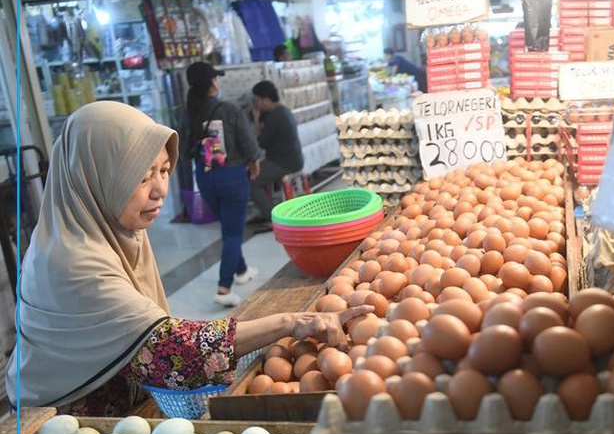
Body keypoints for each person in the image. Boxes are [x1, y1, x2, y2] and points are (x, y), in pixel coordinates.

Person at [7, 102, 373, 416]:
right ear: (95, 175)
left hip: (126, 403)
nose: (160, 190)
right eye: (141, 176)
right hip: (62, 422)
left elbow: (145, 332)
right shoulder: (71, 261)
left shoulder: (115, 229)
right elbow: (165, 350)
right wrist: (289, 322)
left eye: (164, 170)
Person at [184, 61, 261, 307]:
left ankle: (241, 271)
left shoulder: (189, 113)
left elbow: (184, 149)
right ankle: (224, 287)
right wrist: (253, 161)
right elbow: (248, 143)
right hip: (232, 176)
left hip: (205, 177)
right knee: (233, 231)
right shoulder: (229, 109)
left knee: (228, 228)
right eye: (216, 78)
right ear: (211, 83)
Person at [250, 80, 304, 230]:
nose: (257, 105)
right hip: (293, 159)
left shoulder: (274, 117)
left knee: (252, 180)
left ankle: (272, 217)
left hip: (283, 162)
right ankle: (267, 209)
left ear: (266, 100)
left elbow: (261, 143)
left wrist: (255, 120)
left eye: (257, 101)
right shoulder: (284, 111)